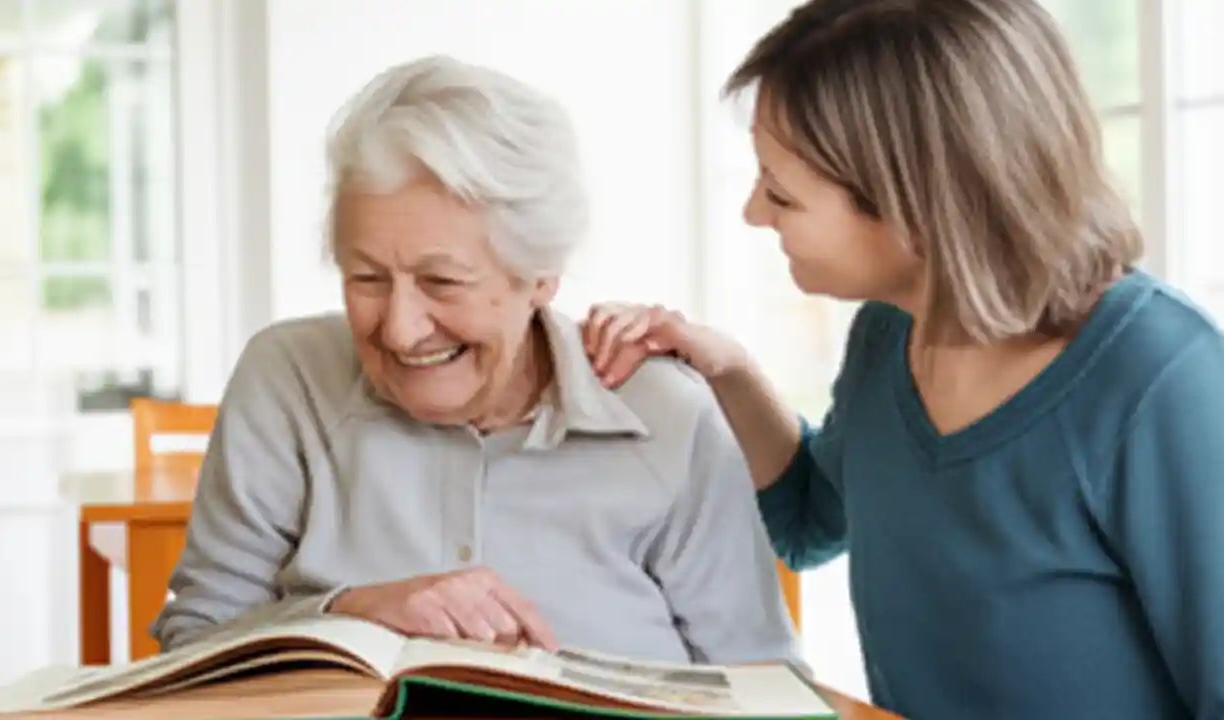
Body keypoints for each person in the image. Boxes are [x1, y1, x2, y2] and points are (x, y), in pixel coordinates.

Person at [582, 1, 1224, 717]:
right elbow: (810, 520)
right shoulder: (890, 331)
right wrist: (729, 372)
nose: (754, 213)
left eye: (781, 193)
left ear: (916, 203)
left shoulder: (1164, 382)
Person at [152, 55, 798, 666]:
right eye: (367, 279)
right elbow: (194, 649)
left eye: (442, 282)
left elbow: (765, 682)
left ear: (540, 277)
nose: (401, 330)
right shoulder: (286, 380)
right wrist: (352, 613)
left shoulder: (667, 414)